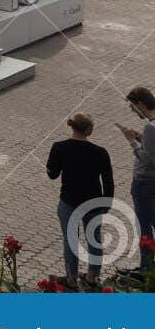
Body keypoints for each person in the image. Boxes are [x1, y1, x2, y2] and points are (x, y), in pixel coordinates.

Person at [46, 112, 114, 287]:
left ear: (72, 126)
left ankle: (71, 279)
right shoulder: (100, 152)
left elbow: (52, 174)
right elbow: (108, 180)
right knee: (94, 238)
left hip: (69, 201)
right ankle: (92, 276)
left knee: (70, 240)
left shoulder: (59, 147)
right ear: (89, 130)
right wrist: (107, 203)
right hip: (93, 203)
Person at [119, 86, 155, 270]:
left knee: (144, 227)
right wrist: (141, 138)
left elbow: (148, 160)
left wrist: (131, 141)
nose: (132, 110)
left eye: (132, 106)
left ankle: (146, 268)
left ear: (140, 103)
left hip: (145, 183)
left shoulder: (150, 126)